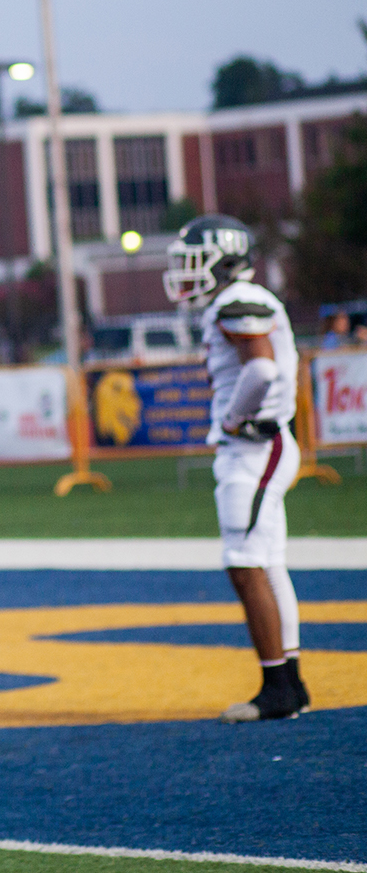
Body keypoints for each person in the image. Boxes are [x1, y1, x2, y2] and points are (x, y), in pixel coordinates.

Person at [163, 214, 311, 721]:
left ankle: (276, 688)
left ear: (222, 259)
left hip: (253, 447)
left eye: (192, 261)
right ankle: (290, 685)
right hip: (264, 443)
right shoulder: (241, 300)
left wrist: (233, 419)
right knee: (267, 564)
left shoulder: (235, 301)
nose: (183, 273)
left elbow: (262, 368)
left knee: (245, 564)